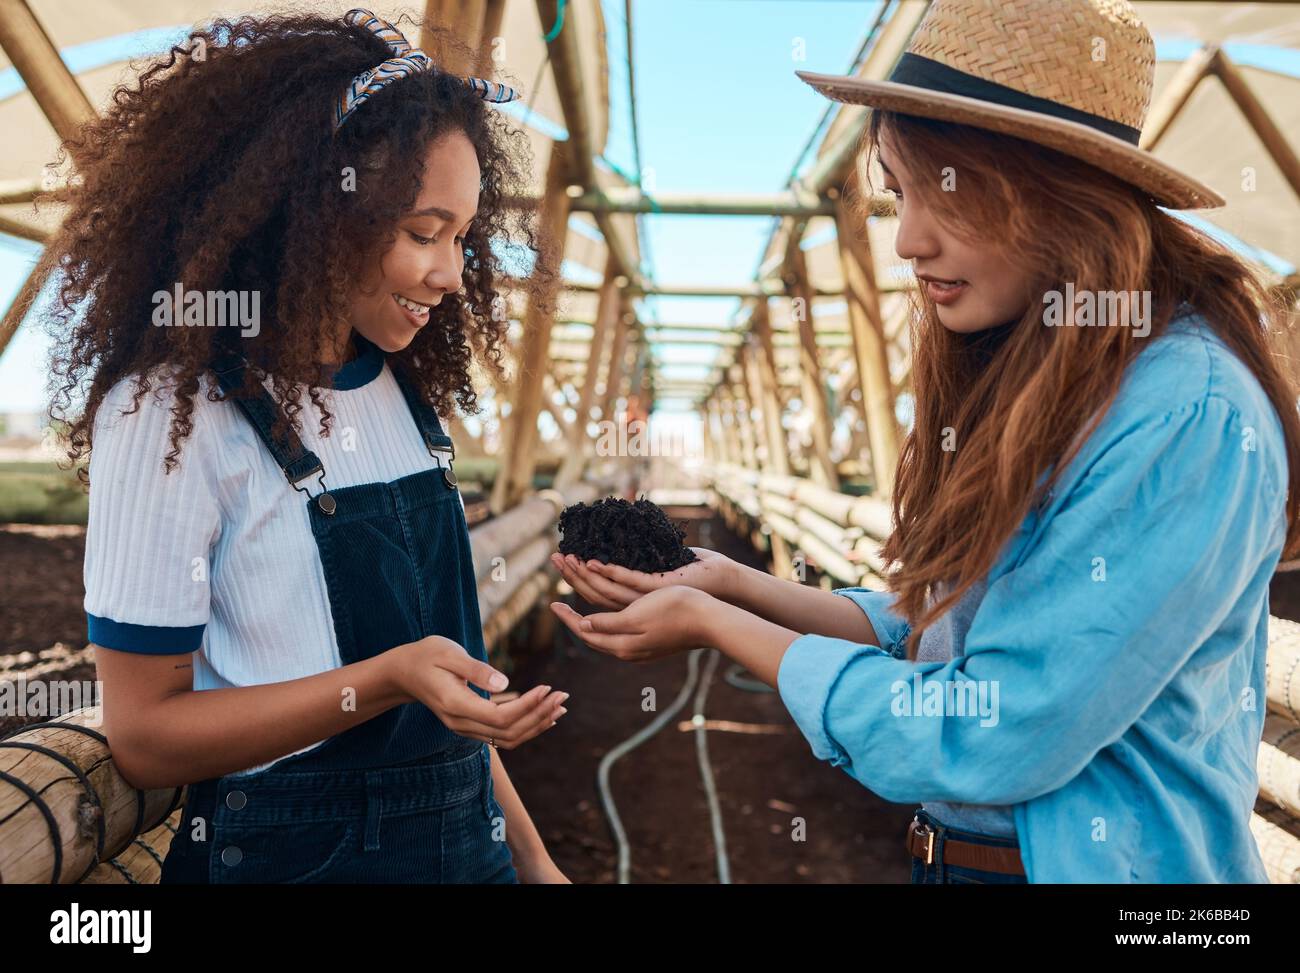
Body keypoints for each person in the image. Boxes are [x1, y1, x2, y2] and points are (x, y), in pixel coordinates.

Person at [549, 0, 1300, 883]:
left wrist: (716, 623)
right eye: (899, 195)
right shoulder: (1053, 373)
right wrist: (732, 584)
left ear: (1056, 191)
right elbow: (953, 635)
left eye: (945, 191)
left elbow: (996, 726)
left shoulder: (1184, 413)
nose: (906, 240)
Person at [34, 8, 569, 883]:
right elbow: (143, 734)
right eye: (422, 232)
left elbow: (450, 697)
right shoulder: (173, 413)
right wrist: (387, 677)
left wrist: (535, 859)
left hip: (469, 851)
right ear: (316, 208)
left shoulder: (402, 396)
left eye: (463, 238)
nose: (448, 272)